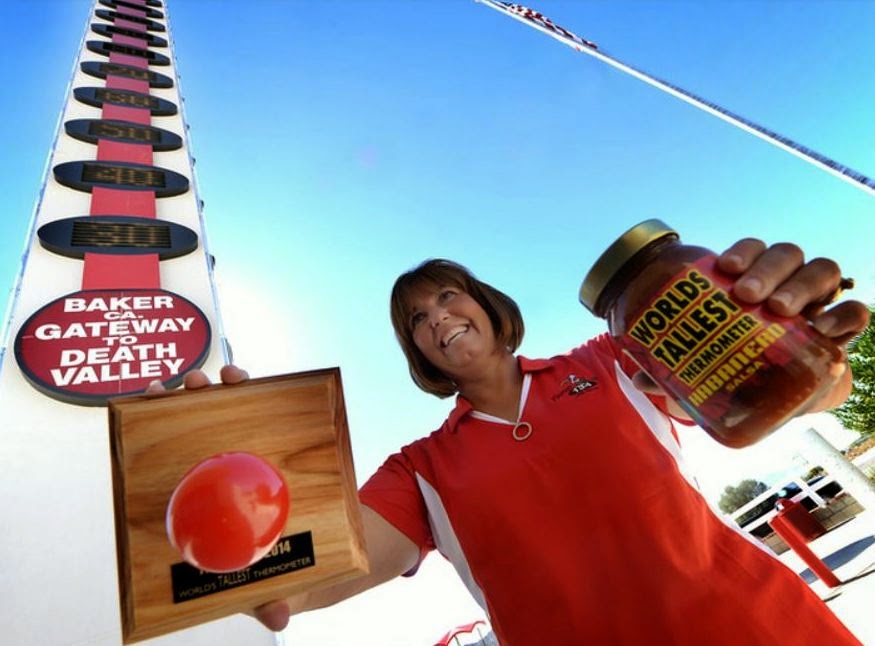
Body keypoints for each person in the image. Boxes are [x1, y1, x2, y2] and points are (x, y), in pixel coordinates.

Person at [178, 238, 869, 644]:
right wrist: (210, 498)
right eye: (416, 319)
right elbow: (308, 575)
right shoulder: (421, 470)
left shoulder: (615, 357)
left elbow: (803, 391)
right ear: (415, 352)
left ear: (485, 304)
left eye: (447, 296)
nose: (437, 318)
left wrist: (805, 342)